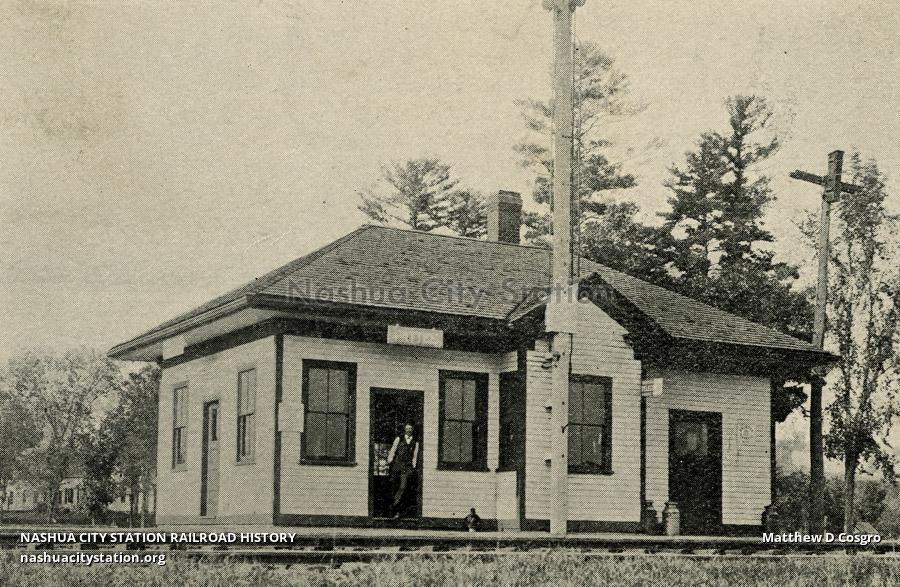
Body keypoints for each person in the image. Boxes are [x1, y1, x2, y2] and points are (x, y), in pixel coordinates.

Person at [387, 423, 419, 518]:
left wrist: (413, 466)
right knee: (394, 486)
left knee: (403, 487)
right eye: (407, 428)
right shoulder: (399, 439)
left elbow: (415, 455)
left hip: (407, 467)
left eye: (410, 428)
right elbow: (393, 450)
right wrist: (390, 460)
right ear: (405, 429)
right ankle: (392, 510)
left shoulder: (415, 442)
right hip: (397, 466)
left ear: (412, 430)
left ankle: (398, 510)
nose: (409, 430)